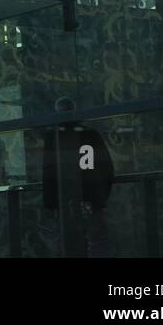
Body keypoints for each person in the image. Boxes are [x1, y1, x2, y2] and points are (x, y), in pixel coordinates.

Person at [41, 96, 115, 257]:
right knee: (97, 240)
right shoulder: (91, 134)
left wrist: (51, 203)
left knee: (68, 242)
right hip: (92, 197)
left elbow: (49, 172)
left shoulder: (53, 137)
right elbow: (107, 167)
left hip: (65, 199)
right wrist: (100, 197)